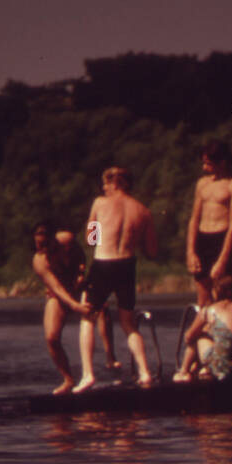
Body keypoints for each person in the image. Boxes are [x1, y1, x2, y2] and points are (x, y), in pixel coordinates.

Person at [75, 167, 158, 391]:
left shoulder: (100, 203)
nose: (103, 188)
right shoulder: (143, 211)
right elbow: (151, 250)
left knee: (87, 317)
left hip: (103, 263)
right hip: (127, 265)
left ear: (116, 183)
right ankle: (145, 373)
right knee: (129, 323)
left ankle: (88, 375)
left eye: (106, 183)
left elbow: (91, 239)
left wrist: (103, 233)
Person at [31, 222, 93, 394]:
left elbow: (81, 256)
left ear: (53, 240)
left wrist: (81, 272)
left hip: (77, 284)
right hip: (58, 292)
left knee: (101, 312)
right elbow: (57, 288)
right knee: (51, 337)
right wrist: (76, 306)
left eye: (44, 244)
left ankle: (110, 359)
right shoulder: (39, 261)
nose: (41, 248)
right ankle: (68, 379)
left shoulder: (66, 239)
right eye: (38, 244)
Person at [186, 141, 232, 307]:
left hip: (222, 239)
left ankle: (231, 330)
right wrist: (190, 251)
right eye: (204, 162)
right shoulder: (202, 184)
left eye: (208, 163)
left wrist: (223, 260)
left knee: (225, 297)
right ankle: (204, 332)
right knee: (203, 299)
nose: (204, 167)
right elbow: (193, 220)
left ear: (222, 162)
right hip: (202, 239)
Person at [173, 276, 232, 382]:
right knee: (221, 338)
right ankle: (202, 369)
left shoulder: (210, 311)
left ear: (216, 291)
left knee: (199, 335)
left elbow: (188, 337)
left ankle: (184, 372)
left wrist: (205, 331)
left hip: (223, 369)